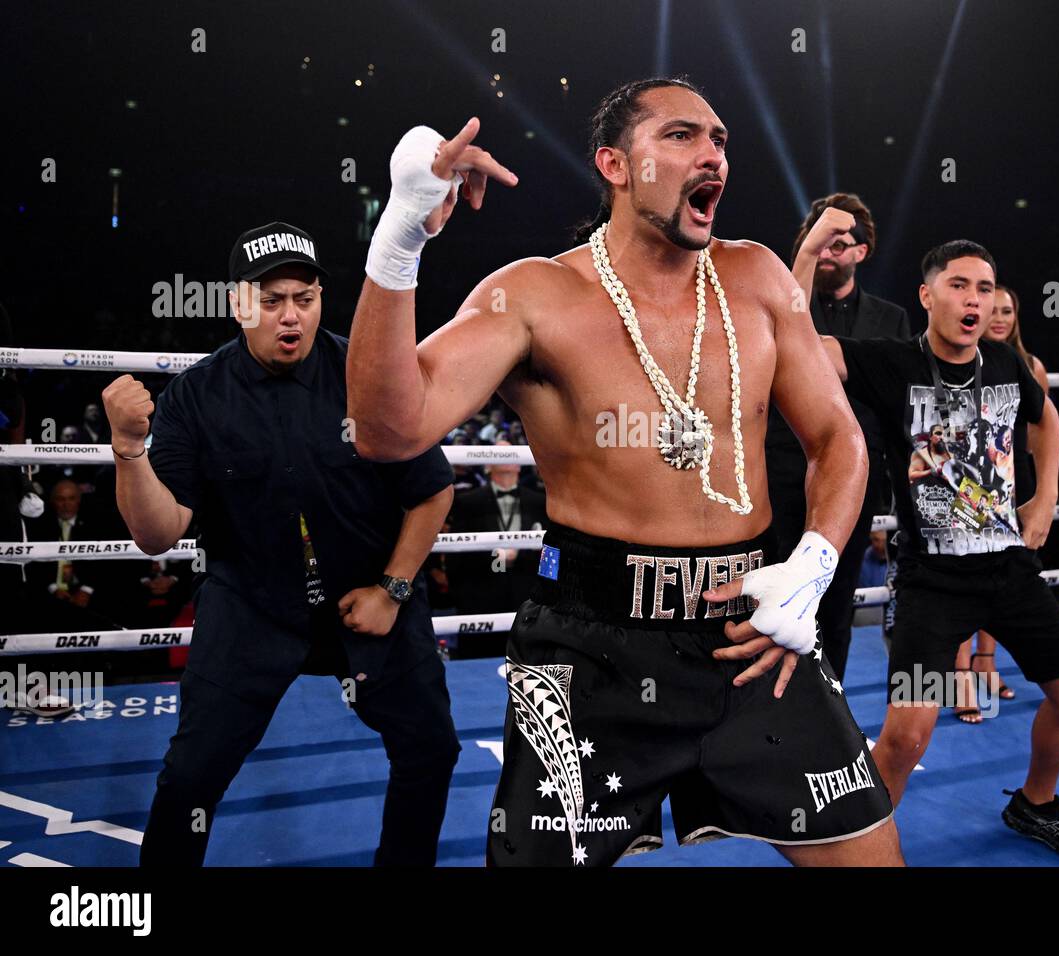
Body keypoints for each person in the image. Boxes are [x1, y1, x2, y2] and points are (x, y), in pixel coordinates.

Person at [346, 76, 902, 867]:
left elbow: (839, 442)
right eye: (681, 136)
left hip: (749, 637)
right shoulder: (536, 294)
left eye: (719, 141)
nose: (712, 154)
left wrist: (812, 565)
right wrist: (401, 235)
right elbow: (385, 431)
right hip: (588, 651)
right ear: (614, 163)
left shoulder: (760, 281)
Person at [105, 221, 459, 866]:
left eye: (305, 297)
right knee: (189, 778)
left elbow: (432, 490)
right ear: (239, 302)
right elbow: (158, 536)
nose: (291, 316)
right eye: (272, 302)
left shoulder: (367, 373)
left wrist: (394, 587)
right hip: (252, 603)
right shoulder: (197, 395)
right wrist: (130, 452)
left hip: (369, 592)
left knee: (432, 748)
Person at [822, 240, 1059, 862]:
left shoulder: (1006, 363)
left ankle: (1035, 804)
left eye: (984, 287)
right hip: (933, 583)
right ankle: (851, 850)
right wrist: (813, 247)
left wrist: (1046, 496)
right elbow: (803, 345)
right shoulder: (893, 363)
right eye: (957, 285)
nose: (973, 299)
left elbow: (1047, 416)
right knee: (906, 738)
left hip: (1009, 572)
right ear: (927, 296)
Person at [766, 194, 912, 682]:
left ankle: (829, 704)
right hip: (783, 469)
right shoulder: (788, 297)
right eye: (819, 244)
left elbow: (895, 404)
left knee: (837, 591)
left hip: (857, 473)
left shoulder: (890, 319)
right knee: (774, 589)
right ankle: (765, 712)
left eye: (839, 245)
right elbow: (782, 332)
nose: (828, 253)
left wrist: (889, 485)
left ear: (861, 252)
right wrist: (806, 255)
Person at [951, 284, 1048, 722]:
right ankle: (961, 675)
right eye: (996, 309)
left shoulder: (1028, 366)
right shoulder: (960, 360)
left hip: (1016, 481)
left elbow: (1043, 428)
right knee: (963, 579)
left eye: (1010, 310)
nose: (1001, 318)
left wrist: (1045, 494)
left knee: (1001, 579)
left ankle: (987, 665)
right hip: (969, 481)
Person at [446, 437, 547, 613]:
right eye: (499, 454)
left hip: (530, 597)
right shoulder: (468, 502)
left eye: (510, 453)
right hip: (481, 596)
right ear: (487, 466)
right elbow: (455, 556)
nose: (505, 457)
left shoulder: (540, 501)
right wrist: (464, 599)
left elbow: (550, 551)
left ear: (520, 464)